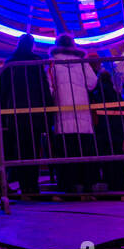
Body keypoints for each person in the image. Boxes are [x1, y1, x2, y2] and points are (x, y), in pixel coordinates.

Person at [0, 34, 52, 197]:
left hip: (15, 113)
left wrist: (3, 111)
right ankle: (33, 185)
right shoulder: (36, 61)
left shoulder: (10, 62)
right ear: (32, 45)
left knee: (20, 149)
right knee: (33, 148)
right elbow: (43, 85)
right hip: (35, 112)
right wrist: (49, 107)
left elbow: (3, 90)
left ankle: (24, 185)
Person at [47, 34, 98, 192]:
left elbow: (49, 86)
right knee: (85, 150)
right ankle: (87, 183)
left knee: (67, 152)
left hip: (63, 114)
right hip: (82, 113)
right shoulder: (81, 62)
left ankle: (68, 184)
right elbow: (92, 83)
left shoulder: (52, 63)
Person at [88, 55, 124, 190]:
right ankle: (122, 183)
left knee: (107, 156)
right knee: (118, 155)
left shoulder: (98, 92)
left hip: (104, 130)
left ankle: (112, 182)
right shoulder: (115, 93)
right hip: (117, 130)